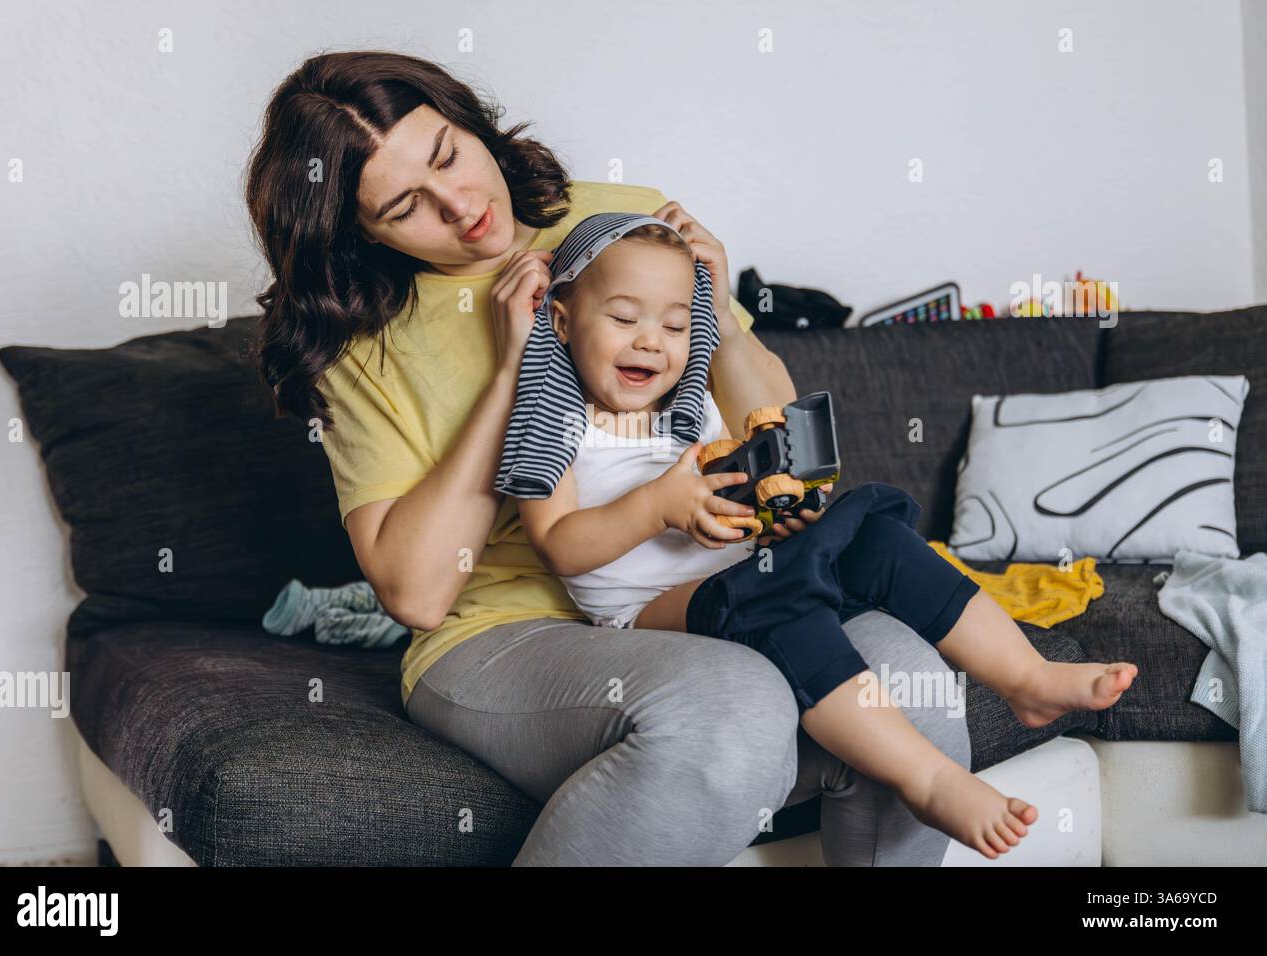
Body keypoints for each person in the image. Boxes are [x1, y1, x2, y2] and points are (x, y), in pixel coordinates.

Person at [246, 49, 978, 865]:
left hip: (699, 583)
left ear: (468, 120)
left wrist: (723, 321)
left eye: (449, 154)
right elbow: (417, 592)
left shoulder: (619, 219)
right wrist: (513, 372)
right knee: (732, 707)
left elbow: (775, 431)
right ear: (359, 232)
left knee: (915, 683)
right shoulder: (359, 340)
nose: (460, 206)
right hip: (503, 634)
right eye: (406, 205)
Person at [504, 215, 1139, 859]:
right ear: (560, 321)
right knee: (777, 606)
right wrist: (654, 507)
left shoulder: (692, 405)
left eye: (674, 326)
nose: (651, 344)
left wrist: (786, 512)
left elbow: (768, 463)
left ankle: (1026, 676)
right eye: (623, 319)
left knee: (872, 532)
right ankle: (926, 778)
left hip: (749, 565)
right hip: (648, 610)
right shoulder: (556, 417)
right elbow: (558, 543)